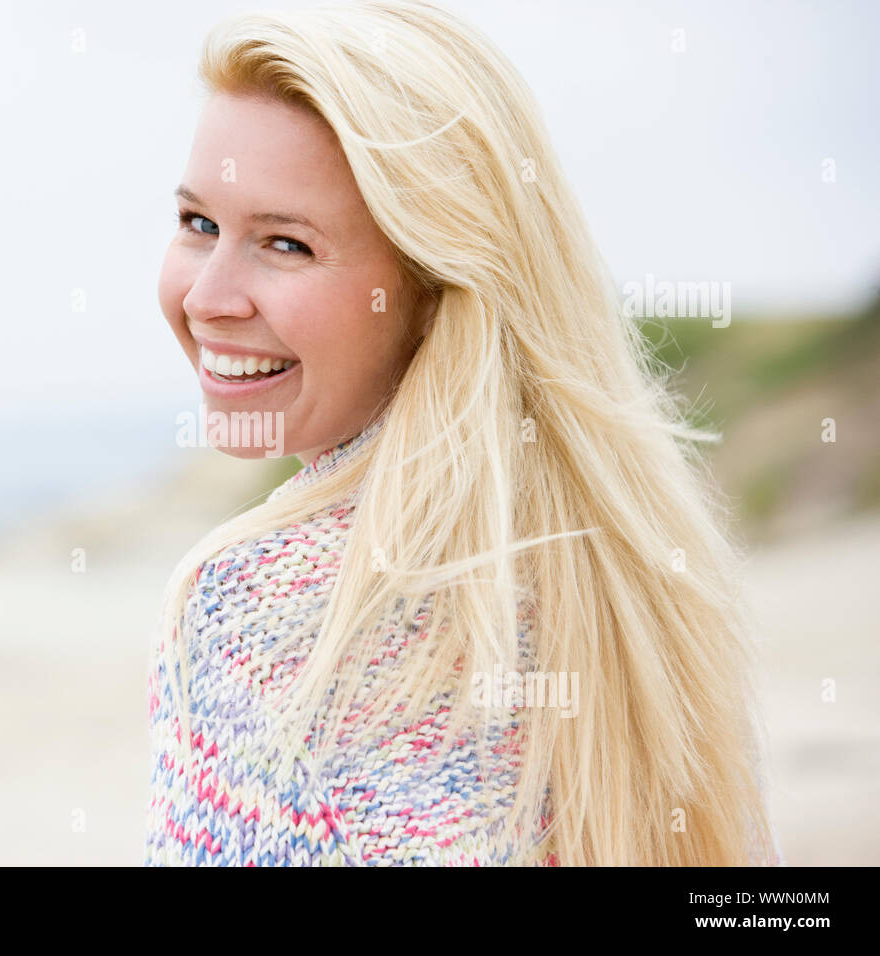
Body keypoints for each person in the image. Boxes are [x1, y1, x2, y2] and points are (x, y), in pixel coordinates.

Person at [146, 0, 782, 866]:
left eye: (286, 244)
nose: (209, 296)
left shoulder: (252, 611)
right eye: (199, 225)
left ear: (433, 283)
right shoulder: (643, 573)